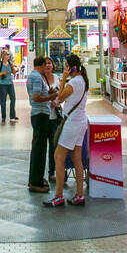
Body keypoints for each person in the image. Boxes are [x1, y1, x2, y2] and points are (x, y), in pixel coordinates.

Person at [44, 53, 89, 208]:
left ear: (71, 67)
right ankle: (79, 195)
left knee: (58, 156)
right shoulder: (82, 80)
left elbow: (60, 96)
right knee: (77, 157)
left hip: (72, 123)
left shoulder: (74, 82)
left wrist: (63, 78)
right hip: (81, 121)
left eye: (67, 66)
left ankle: (58, 196)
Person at [26, 55, 56, 192]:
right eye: (46, 65)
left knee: (39, 148)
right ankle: (35, 182)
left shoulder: (33, 76)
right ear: (42, 65)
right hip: (40, 115)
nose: (47, 68)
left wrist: (47, 92)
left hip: (39, 114)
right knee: (40, 149)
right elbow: (36, 97)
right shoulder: (37, 77)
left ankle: (36, 177)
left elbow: (38, 94)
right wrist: (51, 97)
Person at [41, 56, 60, 183]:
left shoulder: (57, 78)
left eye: (50, 63)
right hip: (44, 115)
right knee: (42, 145)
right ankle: (40, 173)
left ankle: (52, 171)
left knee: (54, 145)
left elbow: (61, 92)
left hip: (55, 116)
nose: (48, 65)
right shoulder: (40, 79)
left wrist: (57, 101)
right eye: (46, 63)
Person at [0, 45, 18, 124]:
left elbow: (14, 72)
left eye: (8, 54)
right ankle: (3, 117)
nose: (9, 56)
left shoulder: (10, 63)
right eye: (7, 54)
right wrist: (2, 73)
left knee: (13, 98)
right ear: (3, 56)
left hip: (10, 83)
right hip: (2, 84)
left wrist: (15, 69)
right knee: (3, 100)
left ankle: (12, 116)